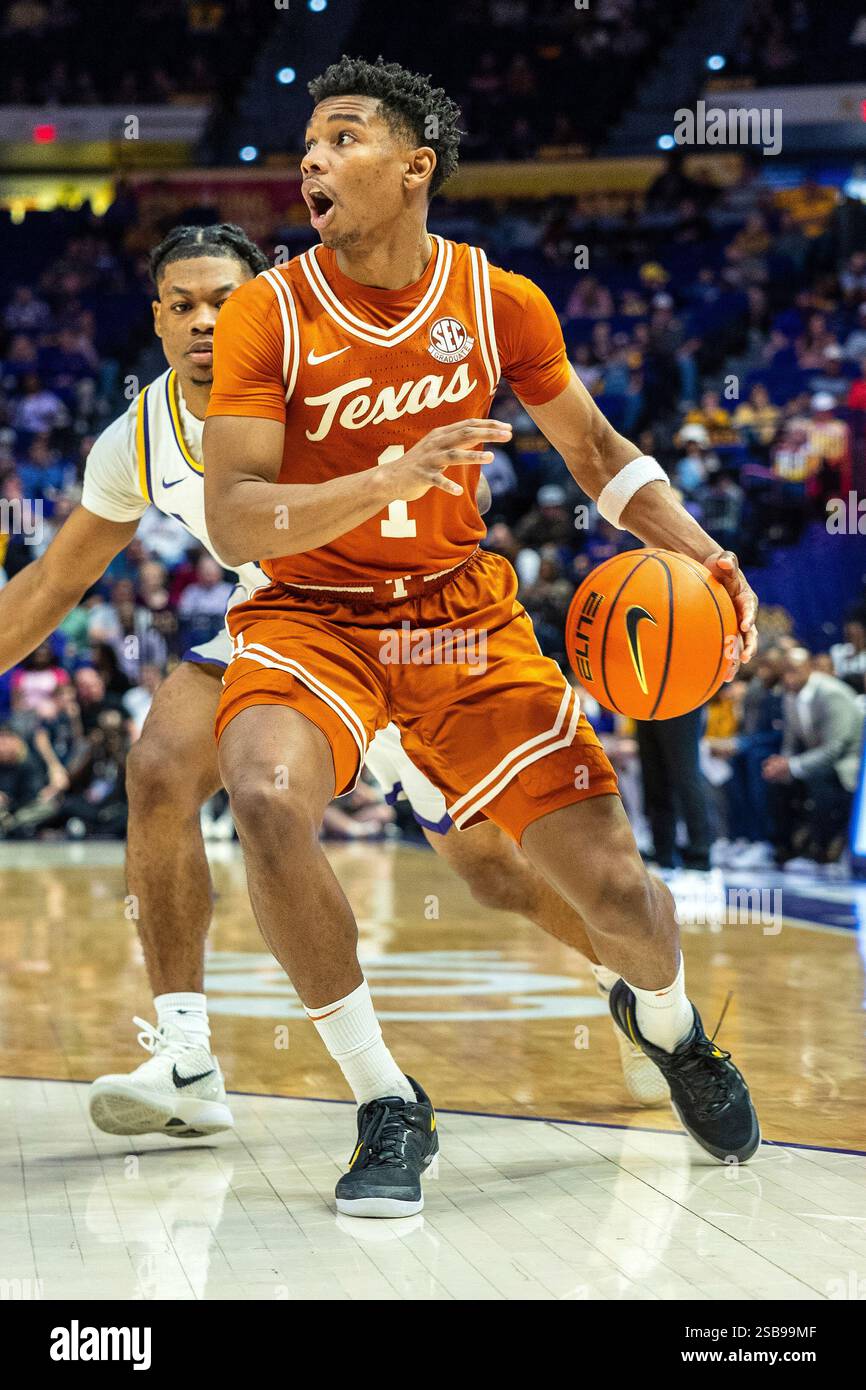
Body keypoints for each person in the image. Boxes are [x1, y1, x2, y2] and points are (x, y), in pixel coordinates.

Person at [203, 55, 761, 1217]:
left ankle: (669, 1026)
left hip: (458, 618)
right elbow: (232, 515)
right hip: (311, 616)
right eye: (304, 139)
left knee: (618, 904)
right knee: (260, 794)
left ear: (414, 167)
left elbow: (598, 453)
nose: (310, 155)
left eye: (341, 135)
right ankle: (384, 1100)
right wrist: (383, 476)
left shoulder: (499, 301)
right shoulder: (271, 308)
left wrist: (701, 549)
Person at [0, 220, 671, 1150]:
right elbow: (52, 583)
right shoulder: (139, 435)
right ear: (155, 321)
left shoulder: (331, 368)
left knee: (494, 874)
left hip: (412, 631)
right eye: (183, 305)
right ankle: (189, 1060)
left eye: (224, 302)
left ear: (264, 303)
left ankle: (636, 990)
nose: (205, 323)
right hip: (286, 632)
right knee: (158, 765)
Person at [763, 647, 865, 866]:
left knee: (820, 780)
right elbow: (790, 741)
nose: (789, 678)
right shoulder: (789, 695)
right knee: (775, 780)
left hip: (847, 763)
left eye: (795, 671)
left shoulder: (832, 694)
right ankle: (784, 849)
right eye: (786, 672)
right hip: (813, 759)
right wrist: (783, 764)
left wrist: (792, 765)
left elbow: (835, 749)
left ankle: (821, 852)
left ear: (809, 668)